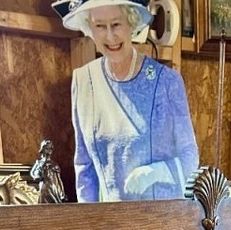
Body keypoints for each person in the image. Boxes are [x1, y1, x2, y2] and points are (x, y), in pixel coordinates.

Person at [53, 0, 199, 202]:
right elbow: (84, 166)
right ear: (89, 28)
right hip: (112, 224)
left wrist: (156, 172)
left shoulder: (166, 82)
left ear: (132, 22)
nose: (110, 36)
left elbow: (190, 156)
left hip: (161, 222)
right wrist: (89, 224)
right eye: (100, 26)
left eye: (116, 24)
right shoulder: (84, 81)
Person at [30, 139, 67, 203]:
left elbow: (58, 179)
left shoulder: (54, 165)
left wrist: (62, 192)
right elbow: (32, 173)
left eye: (50, 148)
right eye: (47, 148)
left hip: (52, 187)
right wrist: (36, 177)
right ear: (42, 149)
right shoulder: (38, 163)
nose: (49, 150)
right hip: (43, 186)